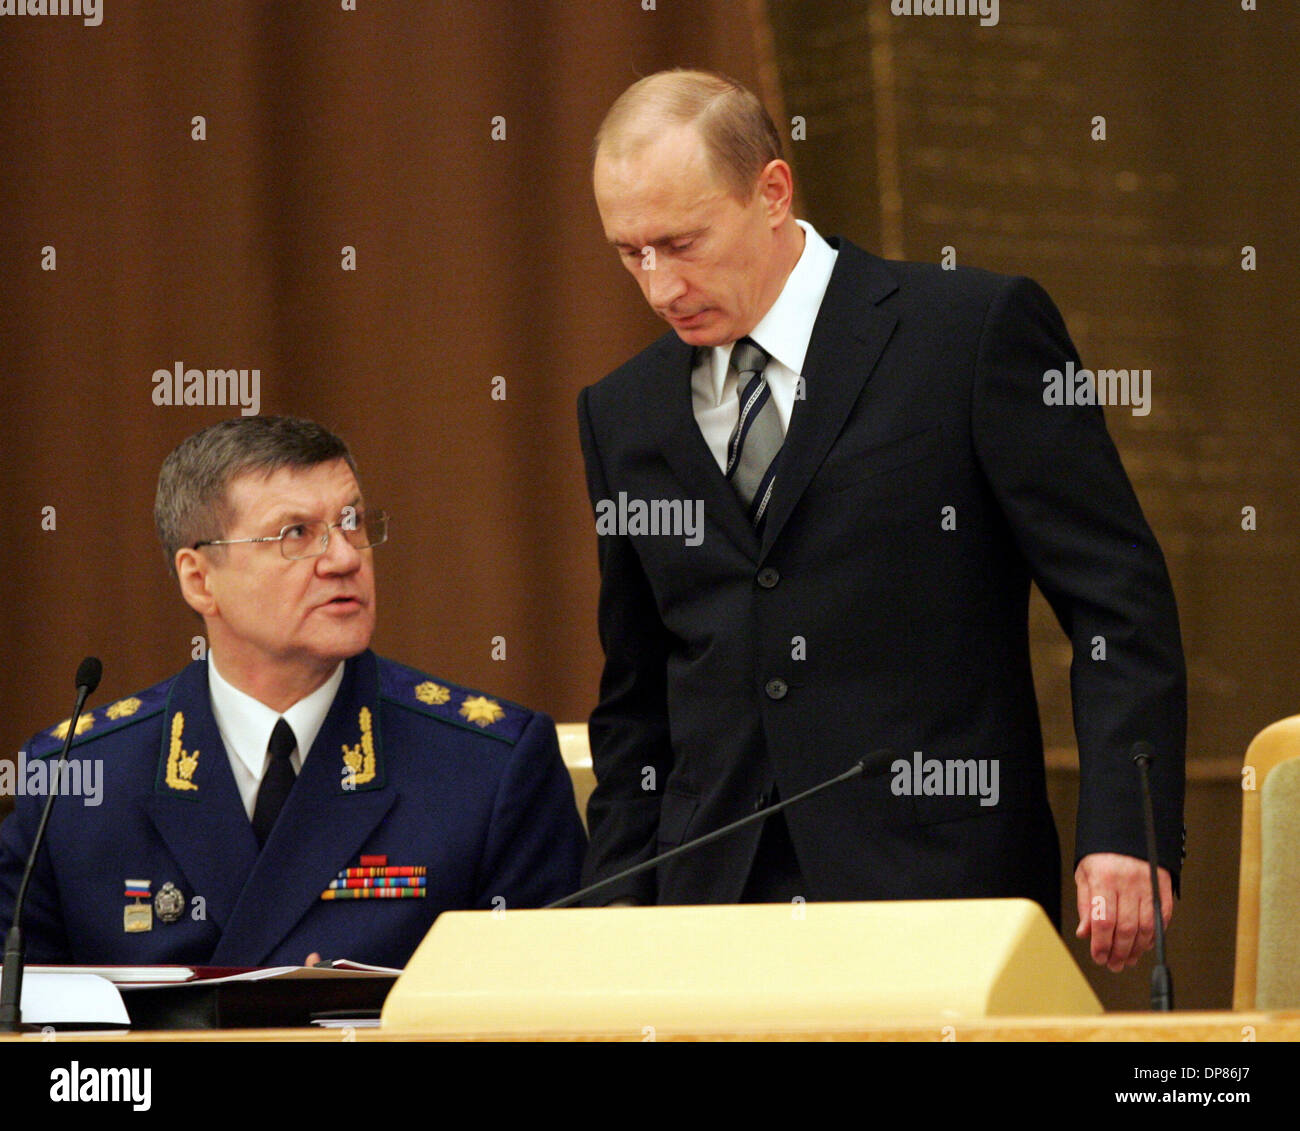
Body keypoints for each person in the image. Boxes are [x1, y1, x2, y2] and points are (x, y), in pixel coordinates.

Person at [577, 70, 1186, 972]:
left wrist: (1127, 828)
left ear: (772, 193)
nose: (661, 286)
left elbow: (1116, 599)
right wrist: (613, 914)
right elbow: (638, 695)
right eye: (630, 253)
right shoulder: (622, 410)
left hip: (938, 890)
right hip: (710, 912)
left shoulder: (967, 332)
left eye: (682, 242)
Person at [0, 416, 585, 968]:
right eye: (296, 534)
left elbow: (540, 1015)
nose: (343, 557)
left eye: (352, 522)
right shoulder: (75, 782)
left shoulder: (487, 768)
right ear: (199, 579)